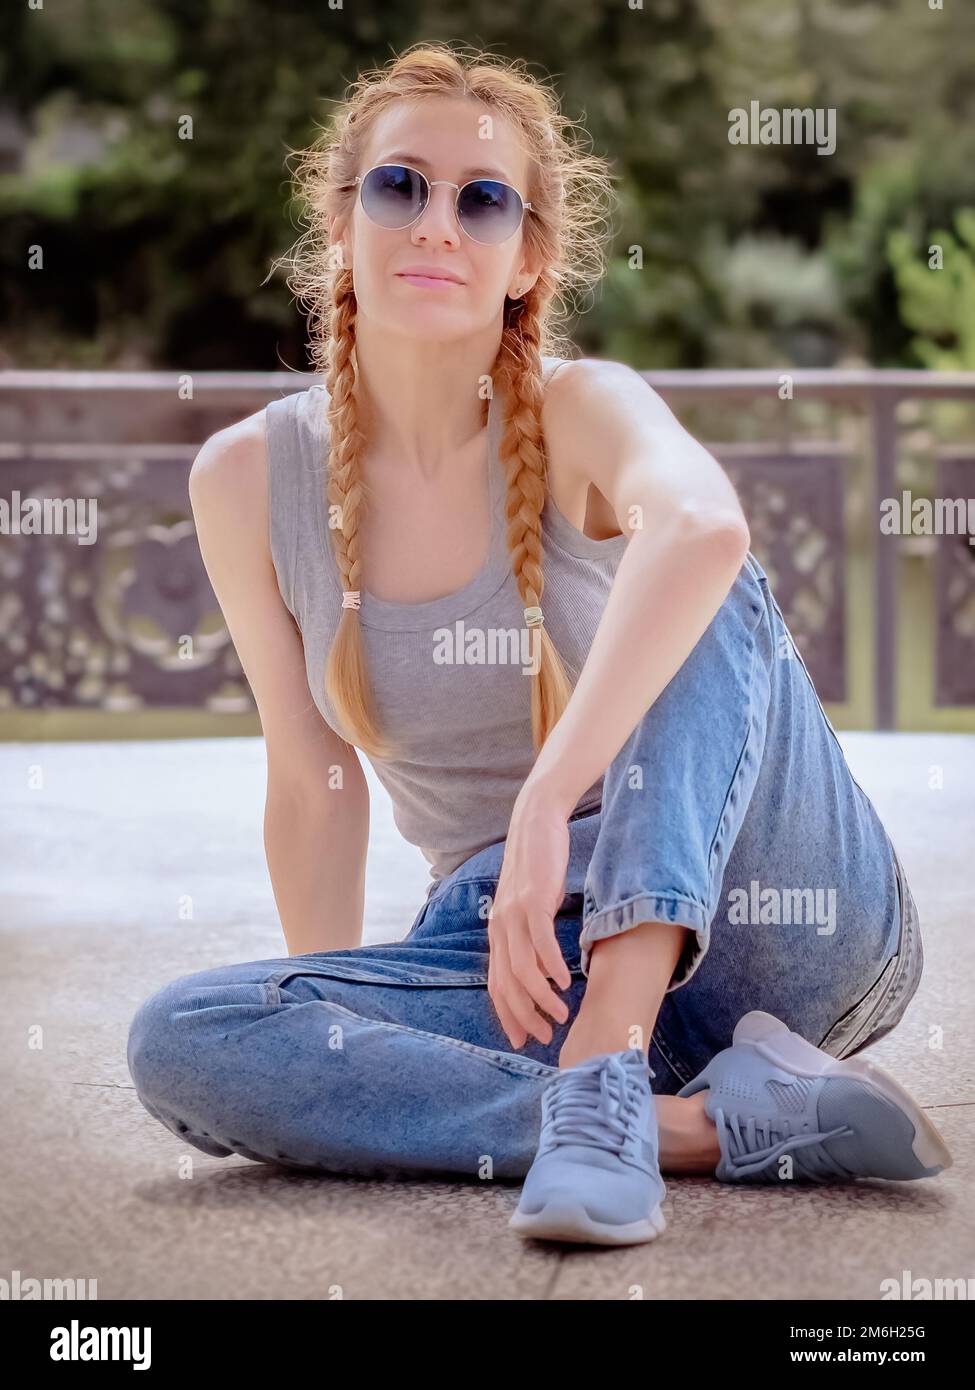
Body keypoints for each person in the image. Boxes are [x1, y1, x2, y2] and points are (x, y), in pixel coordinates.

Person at [127, 41, 952, 1248]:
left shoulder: (583, 407)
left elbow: (708, 528)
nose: (436, 225)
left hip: (774, 918)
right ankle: (695, 1124)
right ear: (343, 222)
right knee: (181, 1039)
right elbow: (313, 779)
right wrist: (349, 1028)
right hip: (517, 959)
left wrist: (552, 793)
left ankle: (611, 1063)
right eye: (399, 186)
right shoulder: (249, 478)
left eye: (483, 199)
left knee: (698, 570)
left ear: (525, 262)